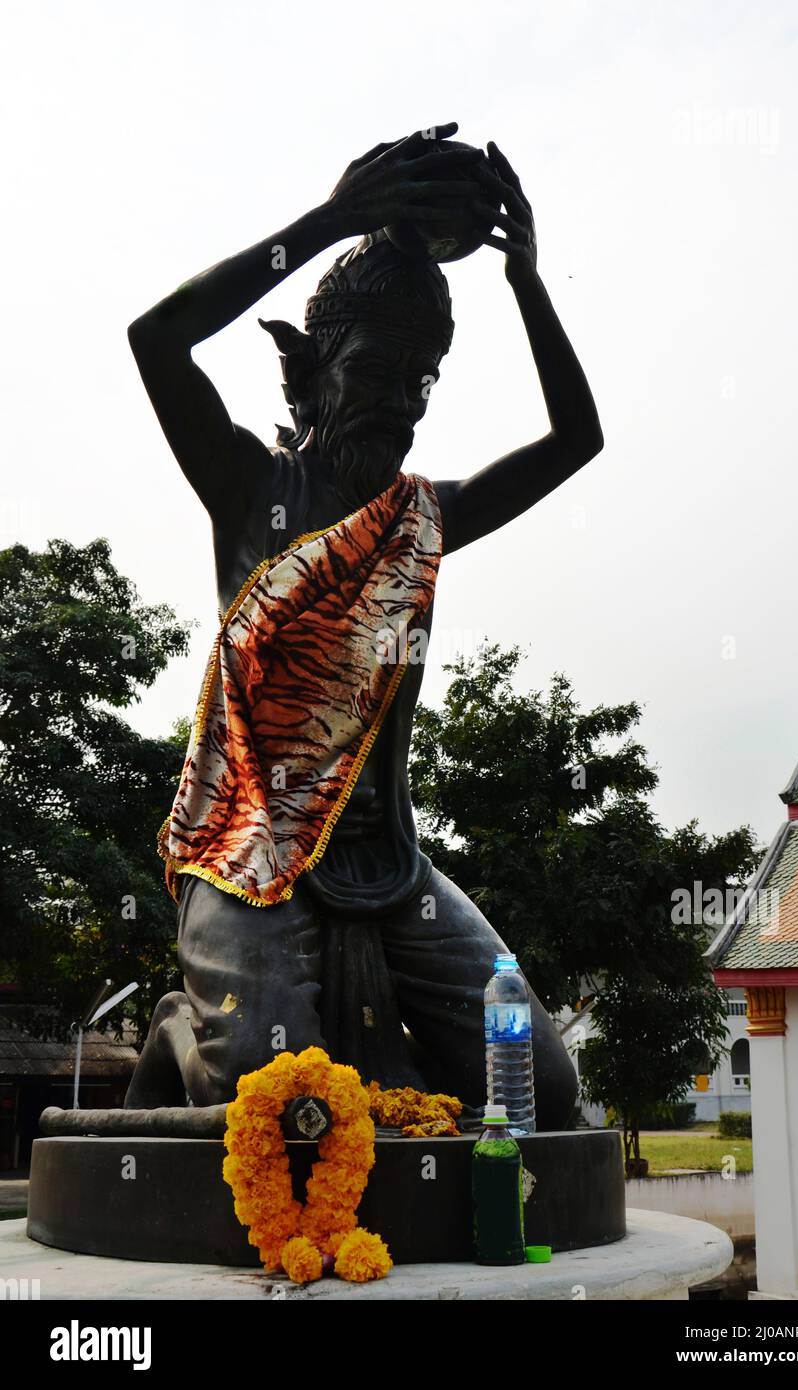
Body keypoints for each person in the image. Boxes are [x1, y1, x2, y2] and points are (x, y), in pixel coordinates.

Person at [123, 124, 603, 1127]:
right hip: (254, 857)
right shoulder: (254, 490)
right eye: (378, 371)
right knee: (271, 1092)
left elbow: (576, 437)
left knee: (540, 1090)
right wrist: (332, 221)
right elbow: (155, 339)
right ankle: (180, 1028)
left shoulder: (426, 518)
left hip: (394, 871)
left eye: (422, 381)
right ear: (307, 371)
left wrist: (524, 278)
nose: (402, 403)